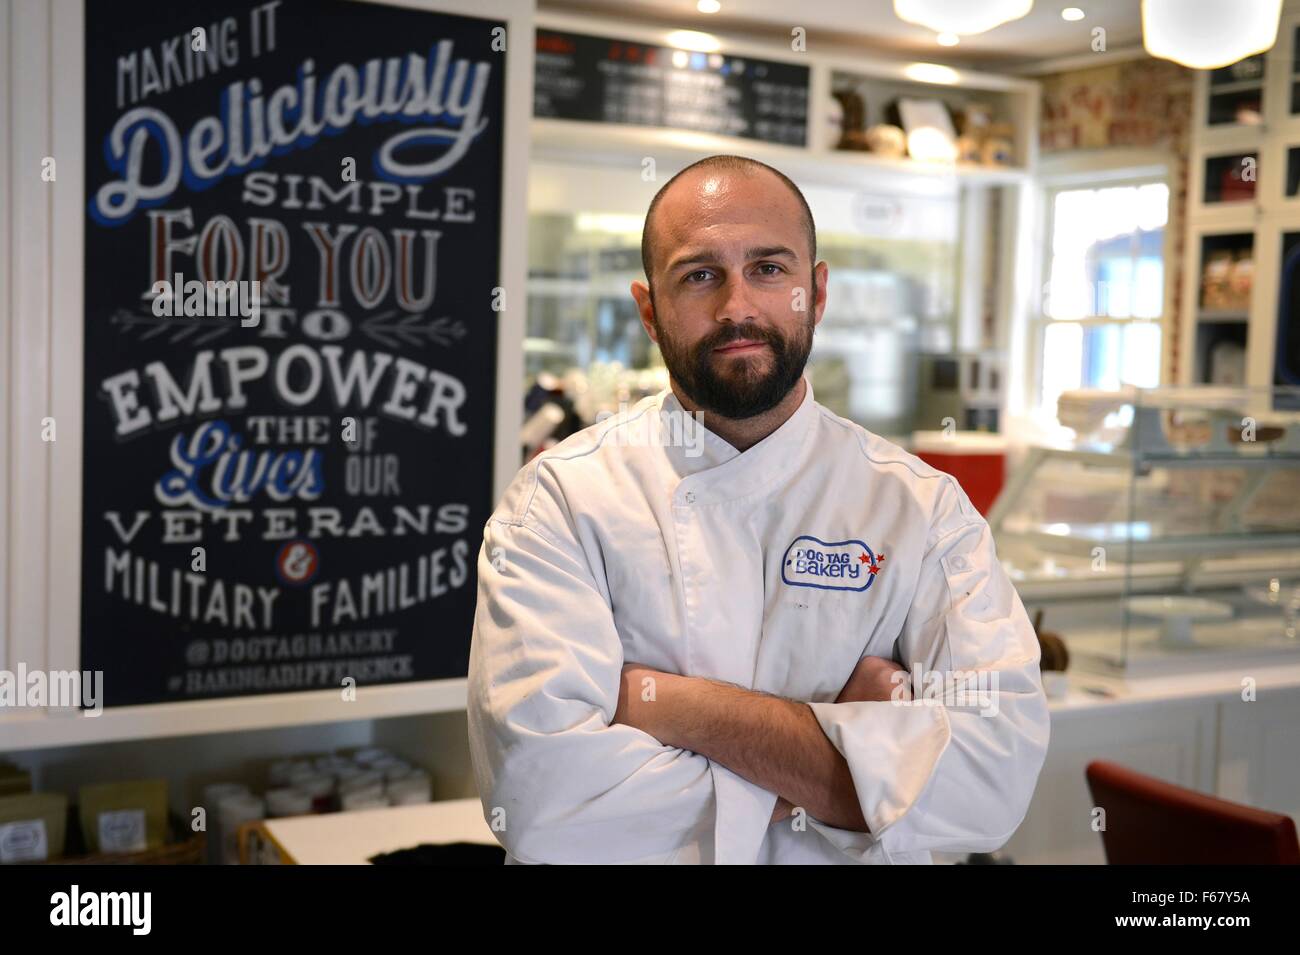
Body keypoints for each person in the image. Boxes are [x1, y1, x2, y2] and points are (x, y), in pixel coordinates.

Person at [467, 154, 1050, 864]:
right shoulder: (560, 500)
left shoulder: (922, 510)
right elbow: (542, 803)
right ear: (650, 311)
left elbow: (991, 782)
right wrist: (852, 747)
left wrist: (669, 706)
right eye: (700, 274)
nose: (737, 306)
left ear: (818, 290)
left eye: (769, 269)